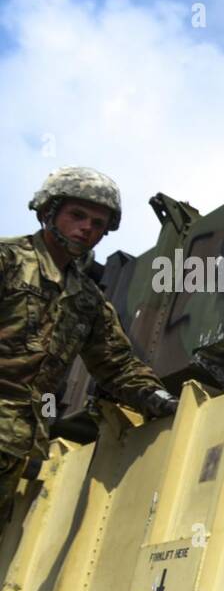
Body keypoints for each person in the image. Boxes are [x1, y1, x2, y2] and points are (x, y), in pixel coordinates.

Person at [1, 167, 177, 530]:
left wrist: (159, 397)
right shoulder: (8, 260)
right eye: (77, 215)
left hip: (16, 449)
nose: (87, 228)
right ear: (48, 213)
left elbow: (116, 364)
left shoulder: (86, 299)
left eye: (98, 223)